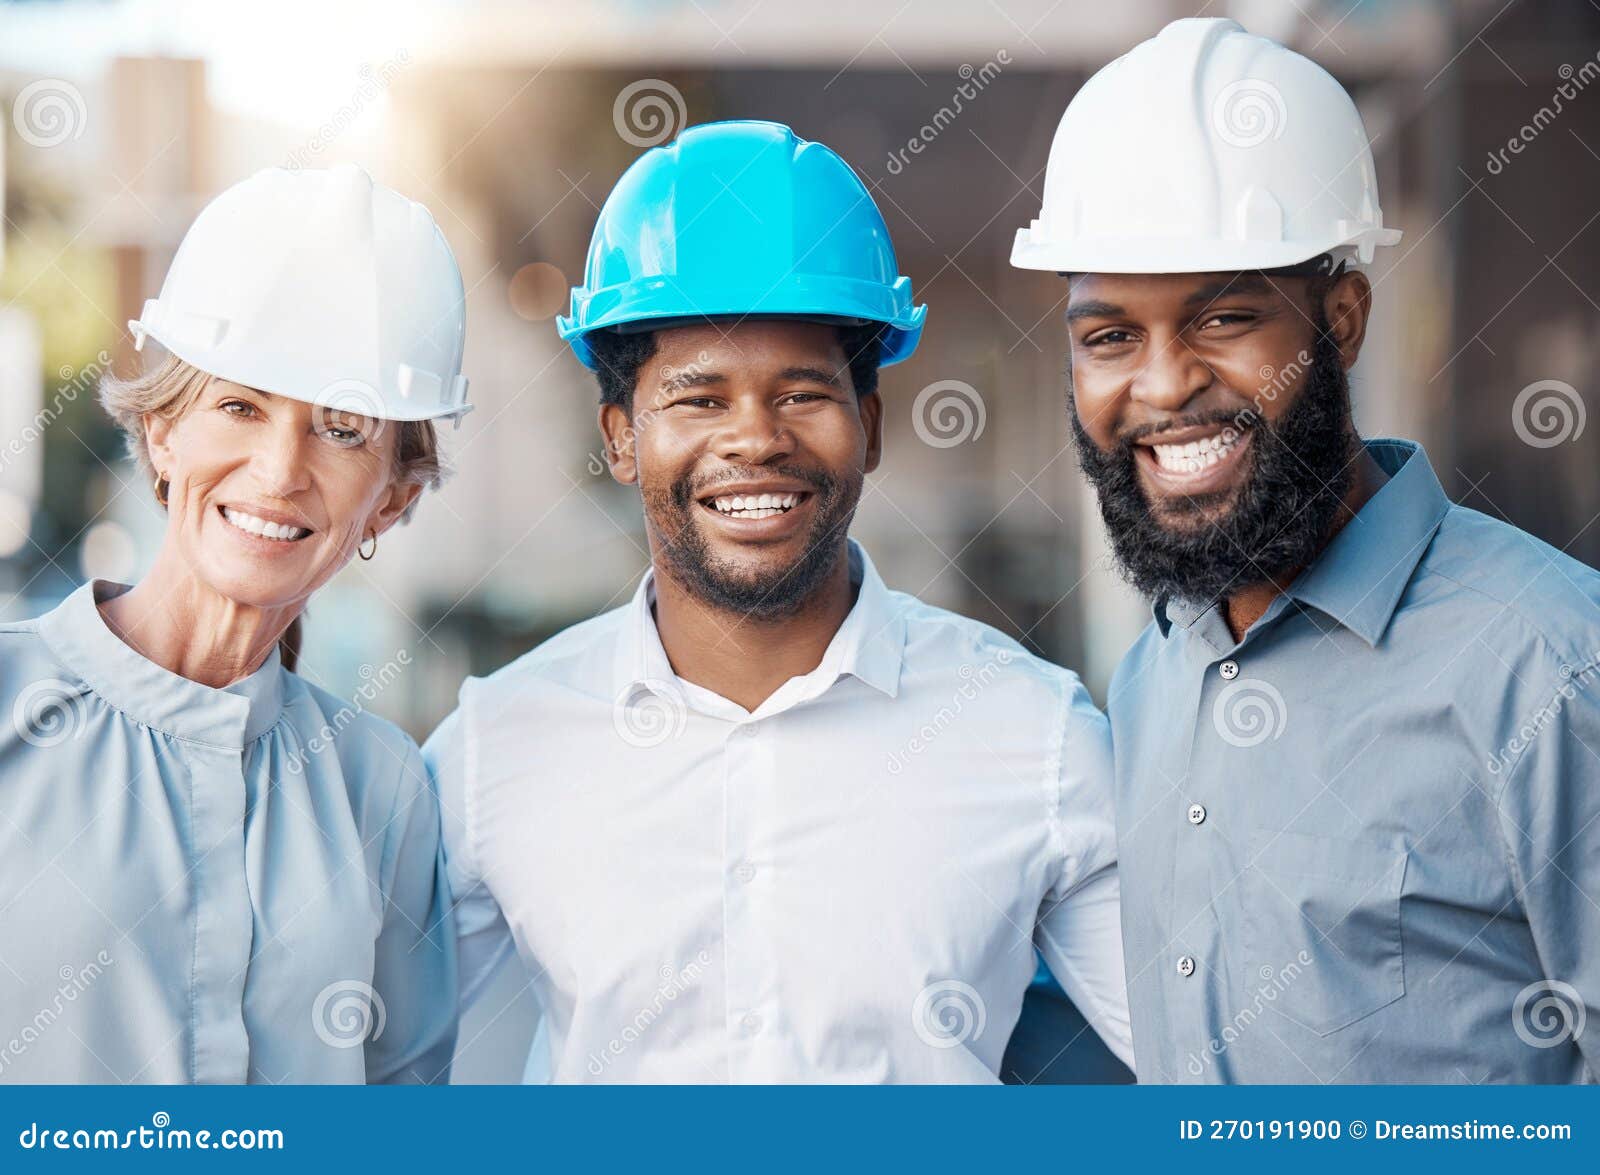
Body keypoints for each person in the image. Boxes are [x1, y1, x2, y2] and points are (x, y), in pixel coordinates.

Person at [426, 120, 1131, 1083]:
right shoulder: (492, 749)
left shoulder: (1035, 733)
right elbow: (363, 1068)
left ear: (869, 427)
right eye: (698, 398)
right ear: (622, 437)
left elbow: (1212, 1075)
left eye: (802, 393)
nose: (755, 439)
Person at [1013, 17, 1600, 1082]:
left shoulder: (1548, 665)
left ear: (1341, 319)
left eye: (1224, 318)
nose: (1161, 384)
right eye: (1108, 336)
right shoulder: (1157, 672)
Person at [0, 165, 466, 1084]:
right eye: (239, 406)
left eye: (341, 429)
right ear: (164, 432)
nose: (279, 470)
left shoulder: (383, 787)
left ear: (389, 501)